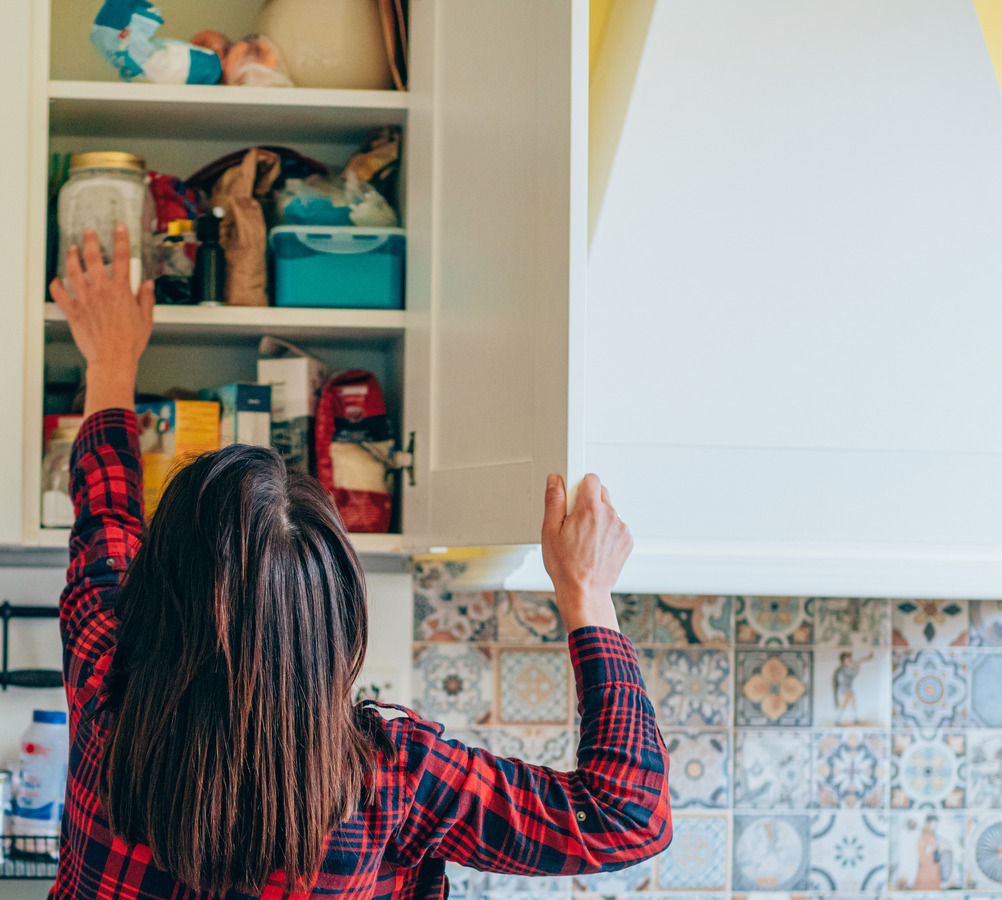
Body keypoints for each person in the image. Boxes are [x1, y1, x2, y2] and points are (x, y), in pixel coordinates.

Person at [48, 224, 672, 898]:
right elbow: (622, 817)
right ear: (337, 621)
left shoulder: (103, 675)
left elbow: (105, 520)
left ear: (155, 590)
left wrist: (110, 365)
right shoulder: (396, 779)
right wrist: (587, 594)